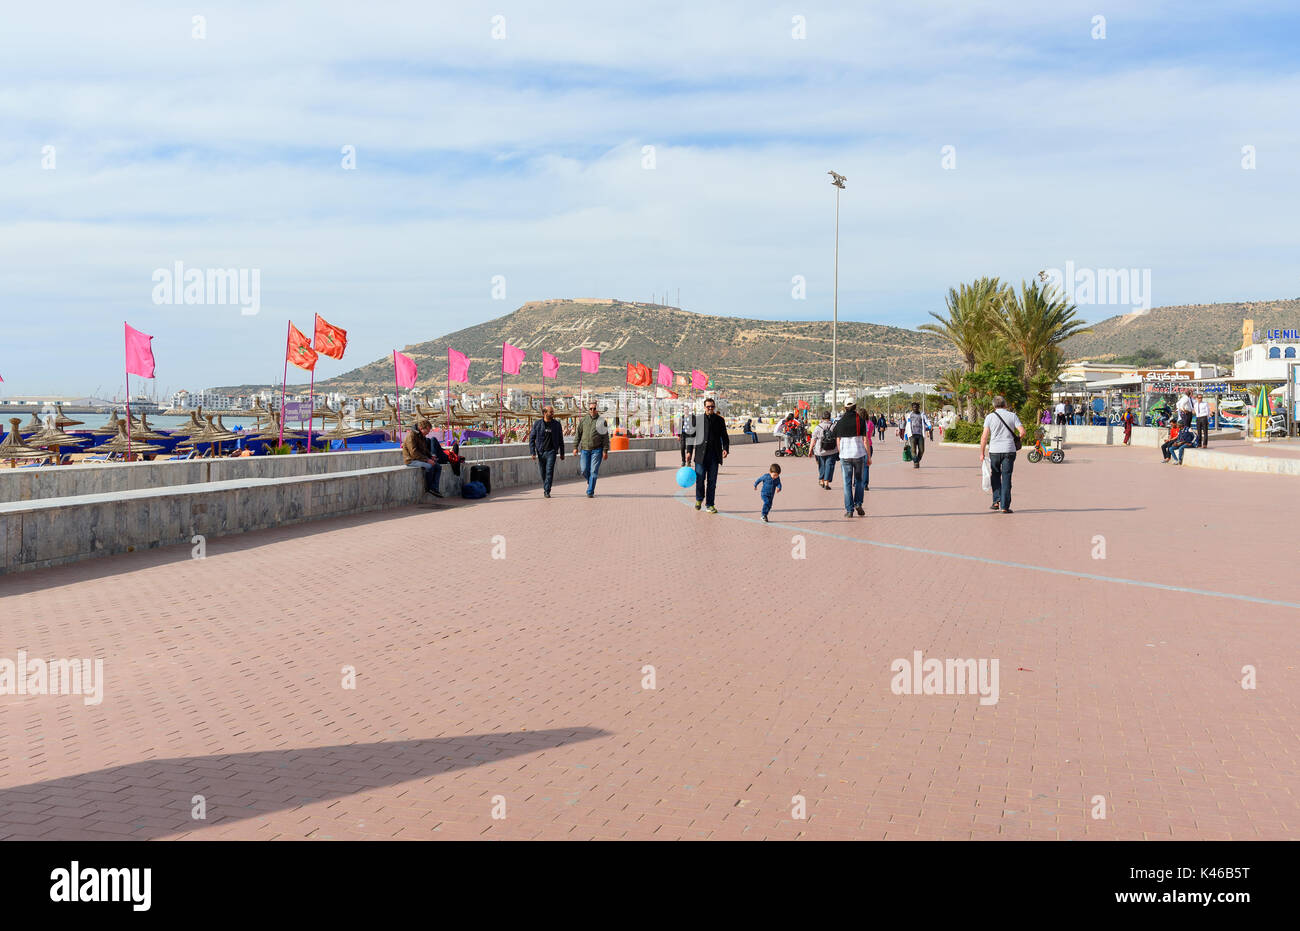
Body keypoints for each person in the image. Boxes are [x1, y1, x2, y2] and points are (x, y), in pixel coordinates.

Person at [980, 395, 1025, 514]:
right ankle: (1005, 506)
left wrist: (982, 453)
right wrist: (1015, 439)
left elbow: (984, 437)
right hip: (1009, 450)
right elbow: (1022, 432)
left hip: (994, 451)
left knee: (995, 475)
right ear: (1005, 404)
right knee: (1006, 477)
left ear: (994, 405)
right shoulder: (1012, 415)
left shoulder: (989, 417)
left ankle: (996, 501)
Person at [685, 397, 729, 513]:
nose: (710, 408)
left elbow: (725, 436)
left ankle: (710, 504)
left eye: (712, 407)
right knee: (700, 480)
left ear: (714, 407)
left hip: (714, 457)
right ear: (704, 407)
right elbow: (691, 437)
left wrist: (725, 449)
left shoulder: (720, 420)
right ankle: (699, 499)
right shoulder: (698, 419)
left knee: (712, 482)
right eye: (708, 406)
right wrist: (689, 452)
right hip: (700, 457)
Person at [834, 400, 870, 518]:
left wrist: (841, 452)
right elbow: (865, 440)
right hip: (859, 455)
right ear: (855, 407)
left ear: (845, 408)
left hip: (845, 456)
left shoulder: (840, 422)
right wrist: (868, 456)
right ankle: (858, 503)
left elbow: (838, 440)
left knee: (847, 483)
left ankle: (849, 510)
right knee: (859, 481)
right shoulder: (861, 421)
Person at [402, 418, 448, 497]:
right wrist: (427, 460)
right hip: (411, 460)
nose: (428, 433)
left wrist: (431, 457)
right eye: (427, 431)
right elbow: (414, 453)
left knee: (438, 467)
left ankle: (434, 488)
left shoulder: (421, 435)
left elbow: (425, 449)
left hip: (420, 458)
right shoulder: (411, 436)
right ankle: (429, 487)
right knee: (429, 466)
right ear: (421, 428)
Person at [528, 405, 566, 498]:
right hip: (541, 452)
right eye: (551, 412)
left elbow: (561, 439)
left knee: (549, 471)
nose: (553, 413)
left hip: (551, 452)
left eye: (553, 412)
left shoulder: (556, 424)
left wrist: (562, 452)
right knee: (543, 472)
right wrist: (532, 452)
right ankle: (546, 485)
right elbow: (531, 438)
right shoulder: (537, 424)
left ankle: (547, 490)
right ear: (545, 413)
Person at [574, 401, 610, 497]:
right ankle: (590, 482)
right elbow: (578, 434)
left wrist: (605, 450)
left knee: (593, 471)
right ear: (588, 409)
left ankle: (590, 491)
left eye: (594, 408)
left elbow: (605, 437)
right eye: (591, 408)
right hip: (585, 449)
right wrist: (575, 447)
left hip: (597, 450)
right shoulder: (584, 420)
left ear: (597, 409)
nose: (592, 410)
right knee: (584, 470)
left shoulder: (601, 421)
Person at [810, 410, 838, 489]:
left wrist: (810, 450)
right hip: (832, 450)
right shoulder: (834, 426)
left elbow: (813, 439)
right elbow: (838, 438)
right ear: (830, 417)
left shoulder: (818, 427)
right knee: (830, 466)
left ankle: (821, 480)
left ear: (822, 418)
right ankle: (826, 483)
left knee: (821, 466)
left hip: (820, 450)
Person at [902, 402, 931, 468]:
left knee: (922, 450)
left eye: (916, 407)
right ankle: (916, 462)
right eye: (914, 407)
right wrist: (906, 434)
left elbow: (926, 421)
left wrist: (929, 425)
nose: (915, 408)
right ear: (912, 408)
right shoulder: (909, 415)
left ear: (918, 407)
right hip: (912, 435)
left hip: (920, 434)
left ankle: (917, 460)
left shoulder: (922, 414)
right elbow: (907, 425)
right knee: (913, 450)